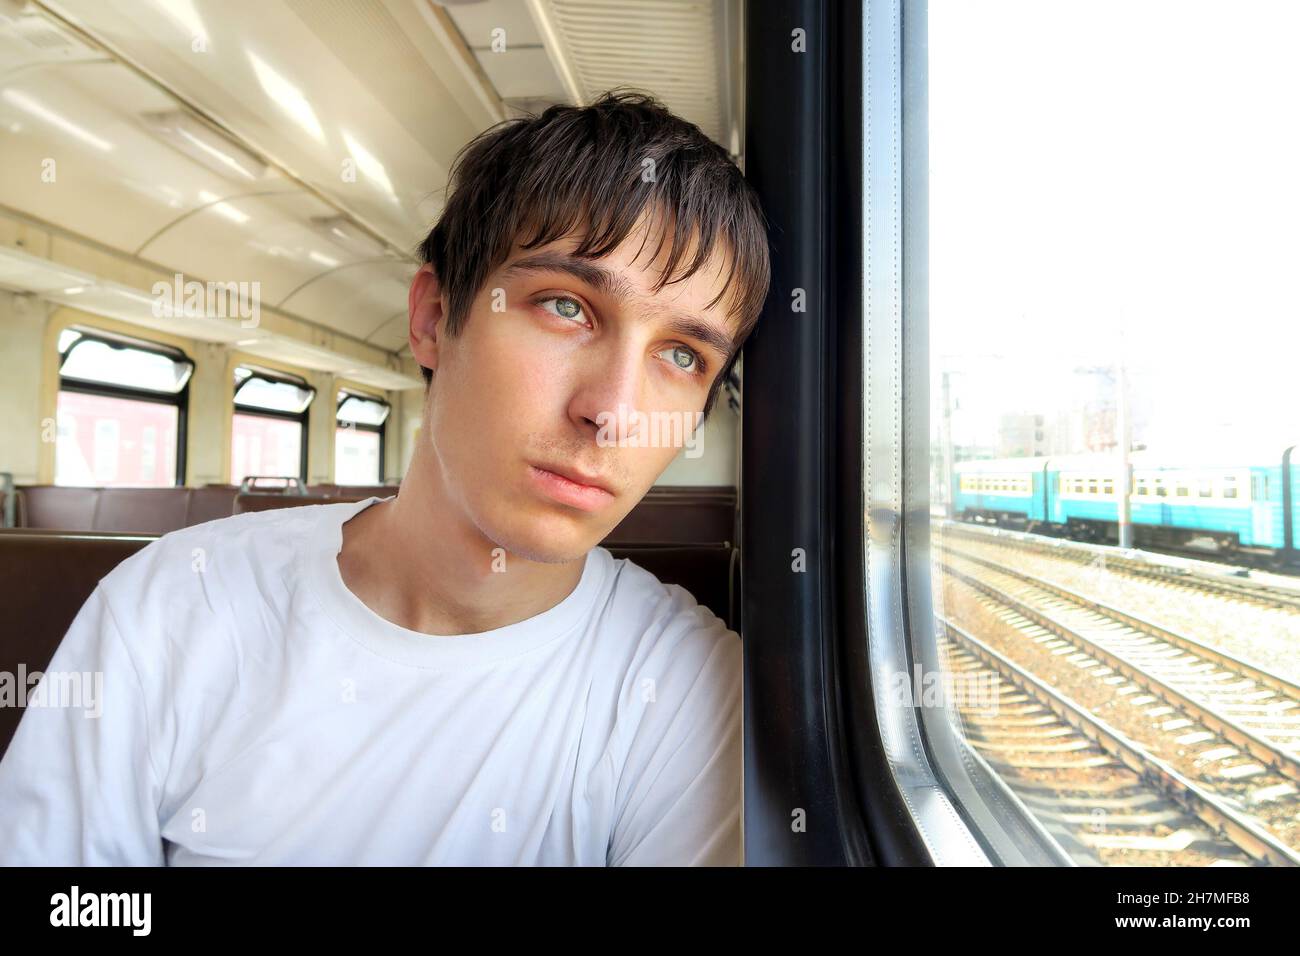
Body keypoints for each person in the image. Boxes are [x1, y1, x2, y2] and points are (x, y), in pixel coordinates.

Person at [0, 90, 771, 865]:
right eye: (566, 307)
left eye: (681, 356)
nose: (613, 412)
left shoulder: (692, 695)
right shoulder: (174, 605)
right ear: (435, 318)